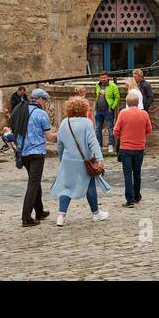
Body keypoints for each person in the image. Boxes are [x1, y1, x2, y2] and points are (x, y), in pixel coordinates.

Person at [51, 96, 108, 225]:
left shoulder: (65, 122)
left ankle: (61, 216)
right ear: (85, 108)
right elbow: (93, 143)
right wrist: (99, 159)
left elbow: (60, 143)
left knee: (66, 187)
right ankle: (96, 213)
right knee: (89, 185)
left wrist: (61, 159)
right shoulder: (87, 123)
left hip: (68, 160)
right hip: (83, 161)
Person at [19, 89, 54, 227]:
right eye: (44, 101)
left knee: (35, 180)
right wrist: (62, 133)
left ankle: (39, 211)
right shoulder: (41, 114)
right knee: (33, 184)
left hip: (24, 153)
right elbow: (50, 137)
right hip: (37, 152)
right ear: (40, 99)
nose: (44, 103)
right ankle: (26, 217)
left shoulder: (21, 111)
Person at [114, 90, 153, 207]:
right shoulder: (144, 114)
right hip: (139, 147)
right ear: (138, 102)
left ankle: (129, 199)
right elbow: (149, 130)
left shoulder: (123, 113)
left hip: (126, 147)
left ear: (127, 102)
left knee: (127, 174)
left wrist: (121, 135)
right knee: (137, 172)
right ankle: (137, 196)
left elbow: (116, 130)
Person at [94, 72, 120, 154]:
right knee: (98, 129)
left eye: (105, 78)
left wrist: (112, 107)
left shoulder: (113, 86)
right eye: (102, 78)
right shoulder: (97, 85)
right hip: (98, 110)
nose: (103, 79)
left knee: (110, 128)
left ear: (108, 77)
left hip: (108, 110)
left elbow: (117, 97)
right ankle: (99, 146)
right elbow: (97, 95)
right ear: (99, 78)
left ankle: (111, 145)